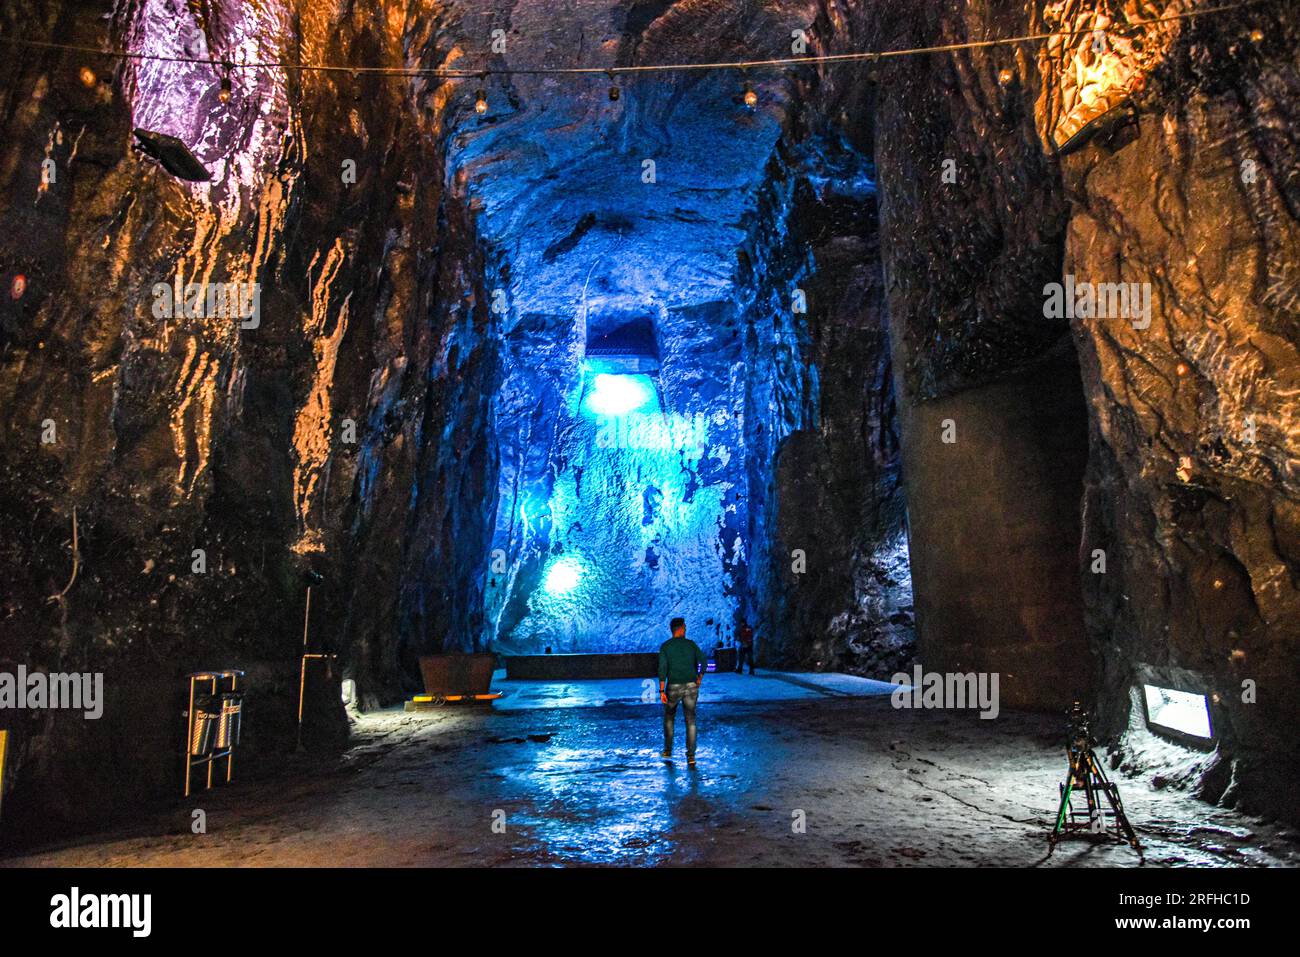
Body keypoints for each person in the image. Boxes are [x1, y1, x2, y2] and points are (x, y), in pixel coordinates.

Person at [658, 616, 707, 765]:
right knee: (691, 720)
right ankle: (691, 756)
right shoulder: (691, 645)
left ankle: (668, 750)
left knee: (669, 718)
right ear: (679, 628)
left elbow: (662, 668)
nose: (686, 629)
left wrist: (661, 691)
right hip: (691, 686)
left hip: (673, 687)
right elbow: (703, 661)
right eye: (684, 627)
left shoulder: (666, 646)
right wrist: (699, 678)